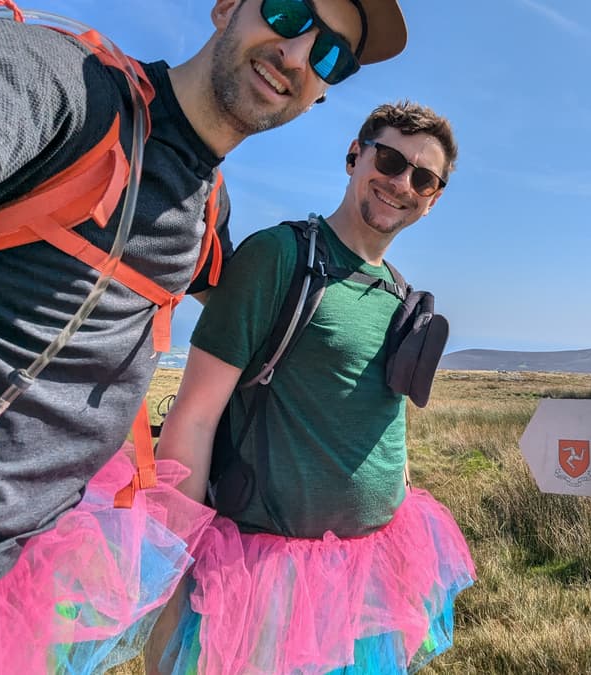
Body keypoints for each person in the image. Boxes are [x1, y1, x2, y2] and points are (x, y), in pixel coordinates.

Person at [0, 0, 408, 671]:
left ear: (319, 98)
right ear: (227, 6)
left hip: (5, 593)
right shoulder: (65, 90)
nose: (300, 53)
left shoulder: (207, 213)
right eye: (286, 11)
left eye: (332, 54)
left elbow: (257, 313)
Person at [149, 101, 475, 674]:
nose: (401, 183)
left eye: (422, 177)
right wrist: (166, 569)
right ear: (354, 156)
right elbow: (195, 417)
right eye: (390, 160)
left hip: (372, 572)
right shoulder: (280, 258)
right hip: (271, 576)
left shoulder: (400, 292)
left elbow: (385, 417)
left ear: (434, 198)